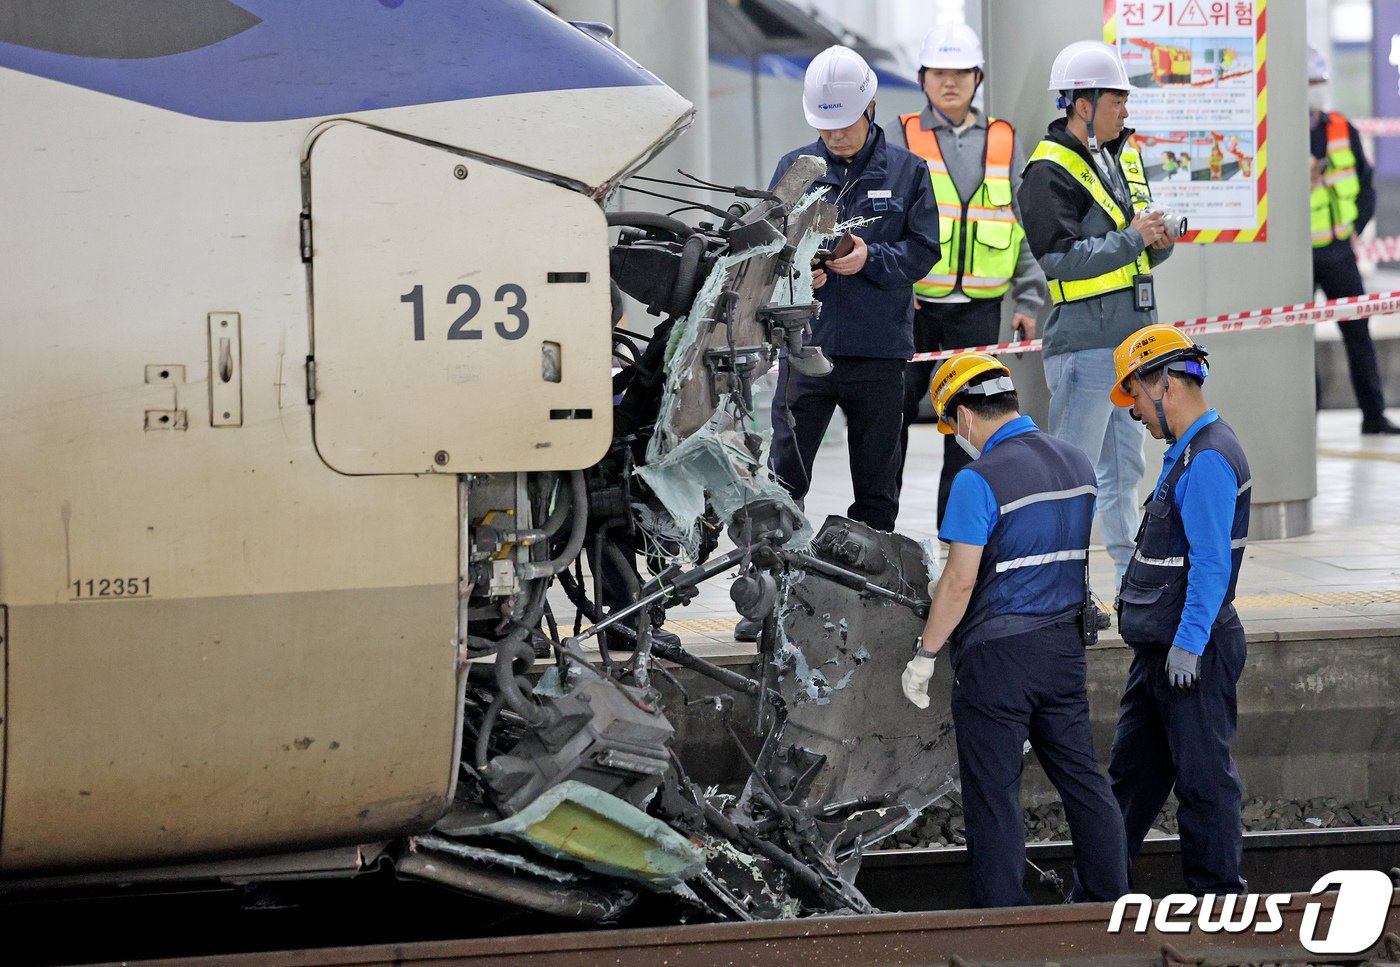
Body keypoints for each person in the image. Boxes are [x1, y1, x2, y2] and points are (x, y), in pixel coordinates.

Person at [900, 352, 1128, 908]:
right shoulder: (1076, 462)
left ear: (965, 416)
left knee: (994, 793)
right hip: (1063, 648)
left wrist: (926, 654)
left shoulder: (978, 479)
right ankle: (1106, 901)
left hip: (997, 658)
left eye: (953, 427)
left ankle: (1002, 916)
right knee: (1083, 782)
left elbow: (959, 582)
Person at [736, 45, 940, 641]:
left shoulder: (908, 173)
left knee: (876, 486)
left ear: (871, 108)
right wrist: (800, 272)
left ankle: (869, 603)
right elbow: (767, 249)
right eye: (825, 127)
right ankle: (766, 601)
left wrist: (870, 257)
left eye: (845, 125)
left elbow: (924, 251)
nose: (835, 136)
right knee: (782, 480)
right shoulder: (796, 169)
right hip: (807, 349)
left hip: (879, 354)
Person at [1018, 39, 1175, 598]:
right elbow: (1059, 259)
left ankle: (1131, 583)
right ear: (1082, 104)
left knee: (1124, 472)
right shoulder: (1046, 171)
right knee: (1072, 475)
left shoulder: (1122, 156)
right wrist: (1134, 237)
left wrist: (1158, 240)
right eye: (1117, 100)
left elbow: (1138, 250)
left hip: (1132, 343)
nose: (1126, 110)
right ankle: (1060, 589)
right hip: (1084, 346)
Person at [1105, 325, 1251, 895]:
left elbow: (1212, 566)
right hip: (1159, 651)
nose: (1134, 411)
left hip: (1193, 650)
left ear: (1164, 383)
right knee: (1131, 779)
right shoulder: (1185, 452)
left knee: (1203, 782)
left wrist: (1189, 644)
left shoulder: (1208, 458)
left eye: (1135, 396)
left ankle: (1217, 899)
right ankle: (1097, 895)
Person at [894, 22, 1047, 525]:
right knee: (891, 416)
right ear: (922, 78)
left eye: (961, 72)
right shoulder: (902, 134)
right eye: (939, 72)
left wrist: (1028, 298)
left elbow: (1022, 223)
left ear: (977, 77)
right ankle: (879, 526)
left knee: (970, 425)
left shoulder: (1003, 139)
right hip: (912, 309)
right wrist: (896, 284)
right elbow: (883, 220)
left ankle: (957, 528)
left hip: (979, 310)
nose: (950, 82)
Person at [1307, 44, 1400, 434]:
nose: (1320, 87)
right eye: (1313, 81)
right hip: (1298, 256)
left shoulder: (1342, 128)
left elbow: (1366, 185)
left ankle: (1373, 415)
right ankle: (1306, 418)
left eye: (1322, 80)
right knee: (1298, 337)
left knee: (1358, 332)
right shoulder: (1278, 134)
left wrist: (1355, 229)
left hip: (1339, 251)